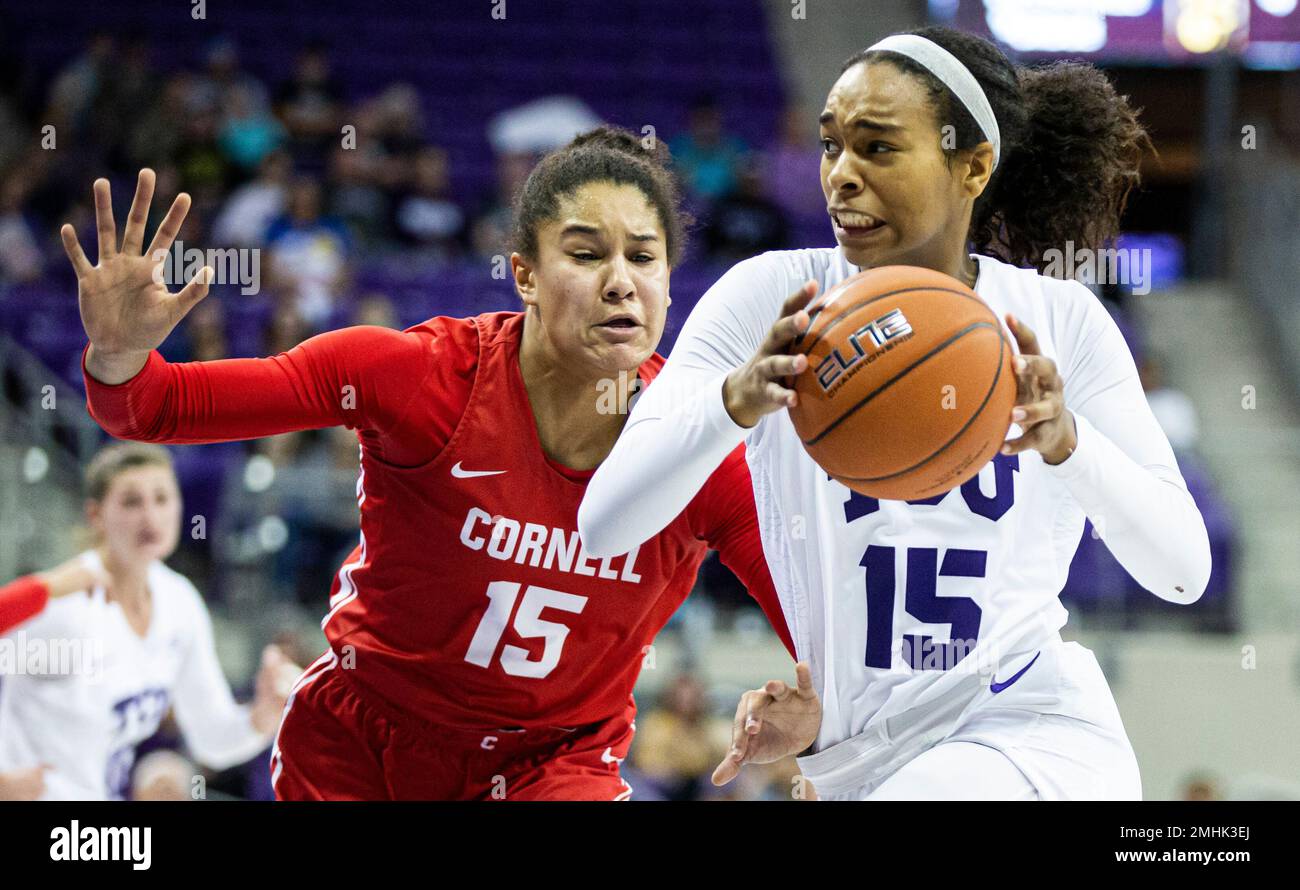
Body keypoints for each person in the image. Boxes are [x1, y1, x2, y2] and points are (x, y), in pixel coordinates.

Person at [60, 127, 795, 801]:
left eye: (642, 256)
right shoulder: (419, 377)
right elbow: (153, 408)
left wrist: (814, 704)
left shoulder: (702, 452)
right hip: (364, 744)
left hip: (551, 763)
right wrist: (119, 355)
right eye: (584, 254)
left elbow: (815, 622)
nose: (619, 281)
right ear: (524, 275)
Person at [579, 27, 1212, 801]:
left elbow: (1183, 572)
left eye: (877, 147)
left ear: (972, 165)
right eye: (831, 146)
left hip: (1030, 733)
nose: (841, 175)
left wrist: (1069, 444)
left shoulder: (1062, 319)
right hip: (861, 762)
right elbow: (607, 523)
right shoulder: (767, 297)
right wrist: (732, 404)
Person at [0, 443, 292, 800]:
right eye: (131, 502)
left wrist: (261, 718)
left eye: (162, 499)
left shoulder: (179, 601)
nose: (150, 517)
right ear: (96, 515)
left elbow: (210, 737)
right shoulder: (65, 604)